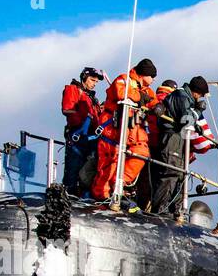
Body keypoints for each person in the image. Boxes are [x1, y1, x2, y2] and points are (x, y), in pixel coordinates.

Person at [91, 59, 159, 204]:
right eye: (152, 76)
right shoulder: (123, 79)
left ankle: (119, 183)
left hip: (130, 132)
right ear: (144, 74)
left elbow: (153, 101)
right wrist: (140, 97)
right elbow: (122, 93)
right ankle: (101, 198)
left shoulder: (146, 89)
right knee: (108, 166)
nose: (154, 80)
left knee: (141, 153)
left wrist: (159, 107)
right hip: (112, 131)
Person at [151, 75, 210, 219]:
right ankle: (160, 209)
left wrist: (196, 126)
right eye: (200, 95)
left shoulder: (185, 97)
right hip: (172, 138)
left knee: (178, 174)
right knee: (170, 172)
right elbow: (186, 119)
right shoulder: (182, 96)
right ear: (196, 92)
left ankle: (174, 208)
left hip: (178, 138)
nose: (199, 98)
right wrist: (198, 111)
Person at [60, 67, 105, 195]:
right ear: (84, 78)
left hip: (90, 139)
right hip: (78, 138)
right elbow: (68, 109)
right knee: (73, 171)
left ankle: (84, 197)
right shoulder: (73, 90)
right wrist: (83, 121)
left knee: (88, 173)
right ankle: (69, 197)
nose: (94, 83)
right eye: (92, 80)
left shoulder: (91, 98)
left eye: (96, 82)